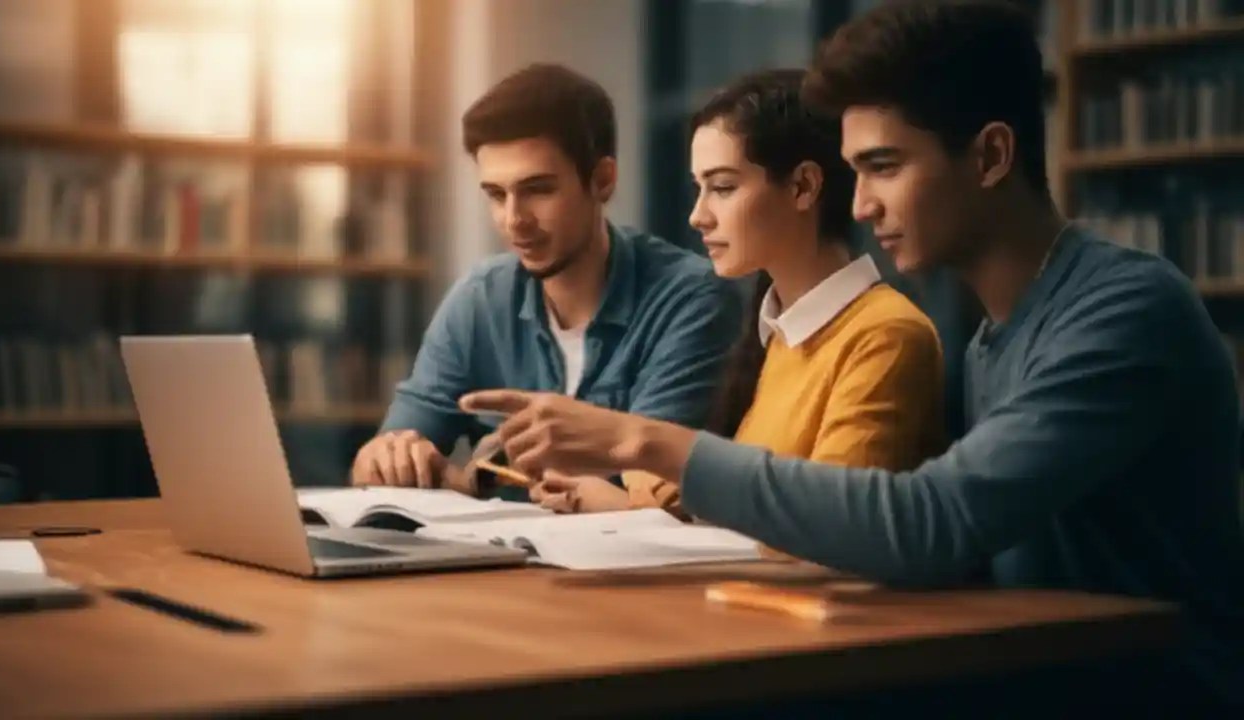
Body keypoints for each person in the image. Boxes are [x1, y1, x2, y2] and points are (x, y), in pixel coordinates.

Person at [461, 1, 1244, 706]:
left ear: (991, 156)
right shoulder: (991, 337)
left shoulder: (1122, 311)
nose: (862, 204)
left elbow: (933, 520)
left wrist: (644, 441)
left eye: (884, 167)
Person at [531, 69, 944, 517]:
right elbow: (756, 507)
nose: (698, 216)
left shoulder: (887, 336)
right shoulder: (779, 332)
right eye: (700, 189)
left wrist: (636, 474)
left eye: (723, 188)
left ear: (803, 186)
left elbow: (829, 526)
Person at [348, 63, 740, 494]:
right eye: (496, 195)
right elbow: (391, 452)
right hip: (504, 558)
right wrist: (385, 459)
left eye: (538, 189)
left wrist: (472, 474)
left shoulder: (692, 300)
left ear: (602, 180)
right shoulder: (481, 298)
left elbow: (646, 491)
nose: (514, 220)